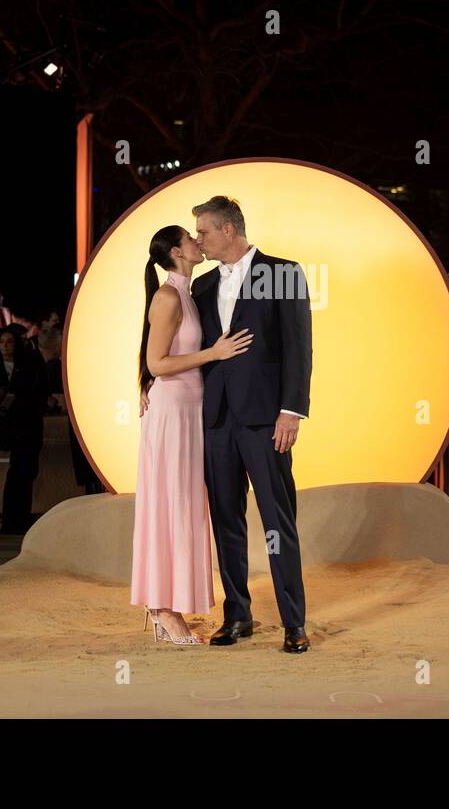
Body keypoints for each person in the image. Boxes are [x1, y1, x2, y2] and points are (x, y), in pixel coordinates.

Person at [145, 196, 313, 653]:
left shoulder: (283, 272)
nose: (197, 238)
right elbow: (170, 347)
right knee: (225, 520)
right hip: (214, 422)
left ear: (228, 231)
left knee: (279, 521)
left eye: (203, 231)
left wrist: (291, 410)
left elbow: (299, 347)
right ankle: (237, 616)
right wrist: (146, 382)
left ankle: (294, 623)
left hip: (265, 421)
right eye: (194, 234)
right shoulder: (198, 287)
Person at [132, 226, 253, 645]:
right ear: (174, 251)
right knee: (169, 505)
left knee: (183, 505)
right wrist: (214, 353)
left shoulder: (187, 291)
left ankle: (168, 605)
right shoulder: (168, 296)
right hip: (171, 415)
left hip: (189, 413)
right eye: (190, 237)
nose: (198, 241)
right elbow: (156, 363)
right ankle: (164, 609)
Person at [0, 324, 48, 535]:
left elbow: (37, 393)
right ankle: (11, 520)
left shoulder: (30, 363)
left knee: (25, 473)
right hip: (10, 428)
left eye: (9, 341)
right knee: (17, 474)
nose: (5, 346)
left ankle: (19, 518)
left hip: (28, 426)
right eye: (1, 342)